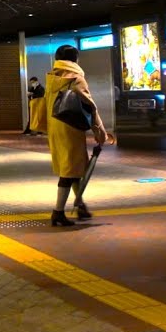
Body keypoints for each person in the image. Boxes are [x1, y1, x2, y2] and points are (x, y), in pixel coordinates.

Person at [43, 46, 108, 226]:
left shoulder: (51, 78)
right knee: (69, 170)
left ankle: (80, 206)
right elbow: (90, 106)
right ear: (75, 59)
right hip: (71, 129)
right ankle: (58, 212)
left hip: (55, 128)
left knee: (73, 168)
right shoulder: (76, 79)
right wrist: (100, 132)